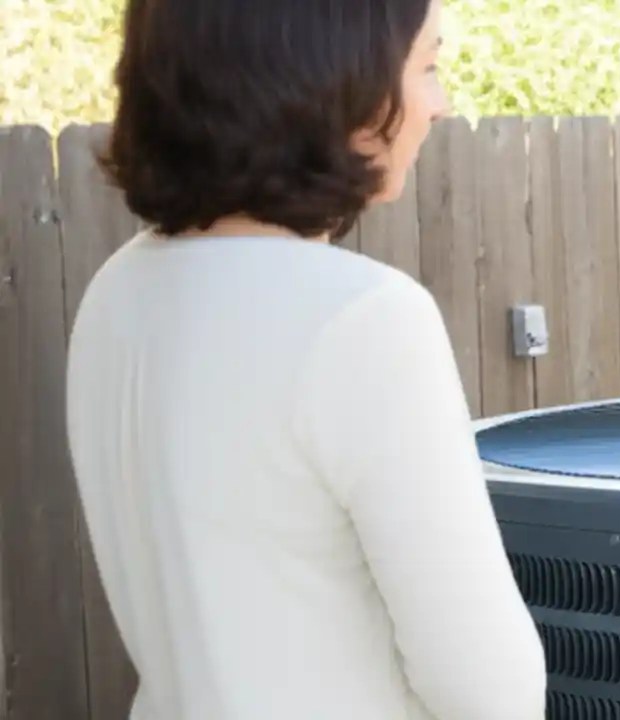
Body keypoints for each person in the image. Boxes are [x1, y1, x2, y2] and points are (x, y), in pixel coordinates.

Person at [64, 0, 547, 718]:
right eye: (427, 67)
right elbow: (490, 689)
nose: (439, 105)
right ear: (335, 79)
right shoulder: (363, 320)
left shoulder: (117, 291)